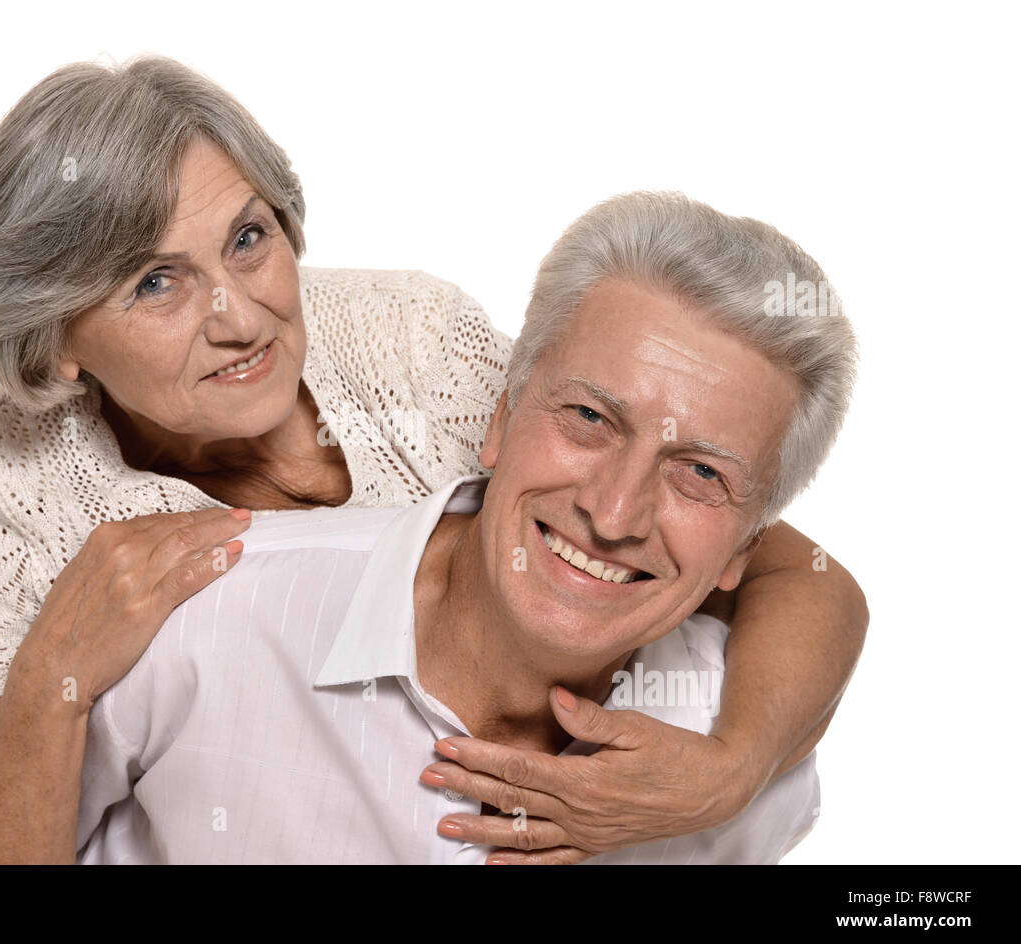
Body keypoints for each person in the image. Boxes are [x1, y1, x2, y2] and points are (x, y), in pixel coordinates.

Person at [0, 56, 867, 864]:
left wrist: (733, 767)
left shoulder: (410, 341)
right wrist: (51, 675)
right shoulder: (2, 488)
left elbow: (762, 554)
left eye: (247, 237)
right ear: (54, 340)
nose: (241, 317)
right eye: (155, 282)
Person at [75, 191, 856, 864]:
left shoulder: (743, 754)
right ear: (501, 417)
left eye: (701, 472)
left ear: (745, 551)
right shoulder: (203, 623)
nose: (614, 513)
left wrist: (732, 774)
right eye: (588, 417)